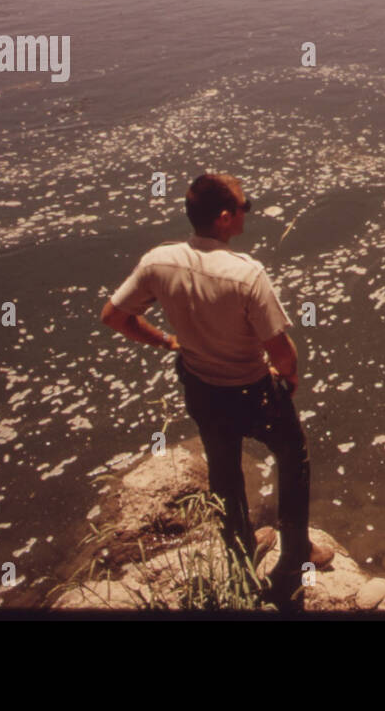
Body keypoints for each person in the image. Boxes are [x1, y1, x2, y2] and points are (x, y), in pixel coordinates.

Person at [100, 172, 311, 612]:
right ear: (223, 218)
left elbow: (114, 316)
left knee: (224, 470)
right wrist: (287, 377)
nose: (246, 210)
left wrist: (166, 341)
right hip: (252, 390)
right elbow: (281, 350)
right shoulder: (246, 275)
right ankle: (292, 558)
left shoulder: (160, 261)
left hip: (201, 386)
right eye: (242, 205)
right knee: (293, 456)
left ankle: (238, 558)